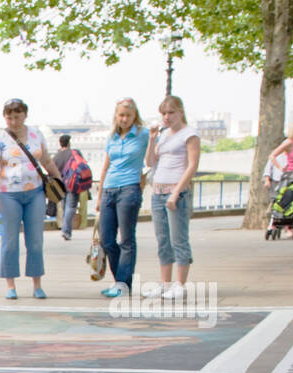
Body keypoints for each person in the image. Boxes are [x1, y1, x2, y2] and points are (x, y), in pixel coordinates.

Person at [0, 98, 62, 300]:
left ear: (25, 115)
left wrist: (59, 180)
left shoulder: (36, 133)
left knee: (35, 240)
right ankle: (10, 285)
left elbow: (46, 159)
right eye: (9, 117)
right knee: (9, 241)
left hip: (35, 192)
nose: (13, 121)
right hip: (8, 194)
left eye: (17, 117)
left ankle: (37, 284)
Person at [144, 95, 200, 300]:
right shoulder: (163, 135)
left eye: (171, 113)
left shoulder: (190, 134)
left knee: (179, 238)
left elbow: (193, 165)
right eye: (164, 113)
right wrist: (151, 140)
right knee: (163, 240)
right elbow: (150, 162)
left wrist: (176, 193)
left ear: (180, 112)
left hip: (176, 192)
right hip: (157, 191)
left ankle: (180, 284)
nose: (167, 117)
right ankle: (165, 283)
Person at [95, 98, 149, 298]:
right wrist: (99, 196)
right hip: (109, 188)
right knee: (107, 239)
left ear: (135, 116)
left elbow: (152, 158)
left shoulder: (143, 134)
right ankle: (119, 280)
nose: (124, 119)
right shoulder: (112, 137)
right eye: (121, 115)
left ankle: (123, 284)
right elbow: (106, 166)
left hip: (129, 188)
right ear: (116, 116)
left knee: (126, 239)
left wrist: (143, 180)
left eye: (128, 115)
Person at [54, 133, 88, 240]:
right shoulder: (75, 153)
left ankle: (65, 228)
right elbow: (83, 165)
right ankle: (66, 231)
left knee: (64, 207)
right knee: (71, 207)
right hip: (72, 183)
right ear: (69, 142)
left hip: (60, 184)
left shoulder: (56, 156)